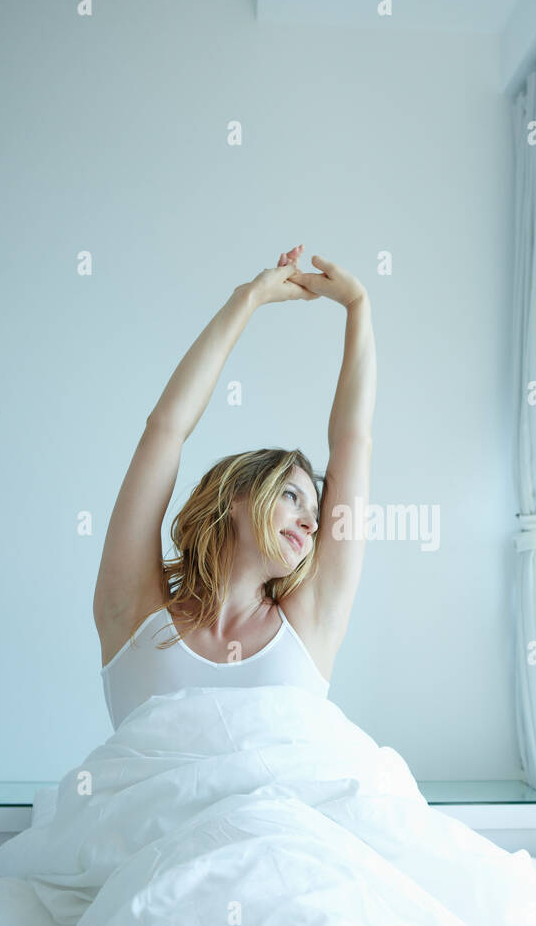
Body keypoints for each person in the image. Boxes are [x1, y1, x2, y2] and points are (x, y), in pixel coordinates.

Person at [93, 246, 375, 730]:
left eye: (314, 508)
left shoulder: (309, 623)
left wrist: (358, 309)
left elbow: (353, 441)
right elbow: (165, 428)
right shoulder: (134, 612)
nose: (311, 521)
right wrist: (247, 299)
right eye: (291, 496)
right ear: (235, 497)